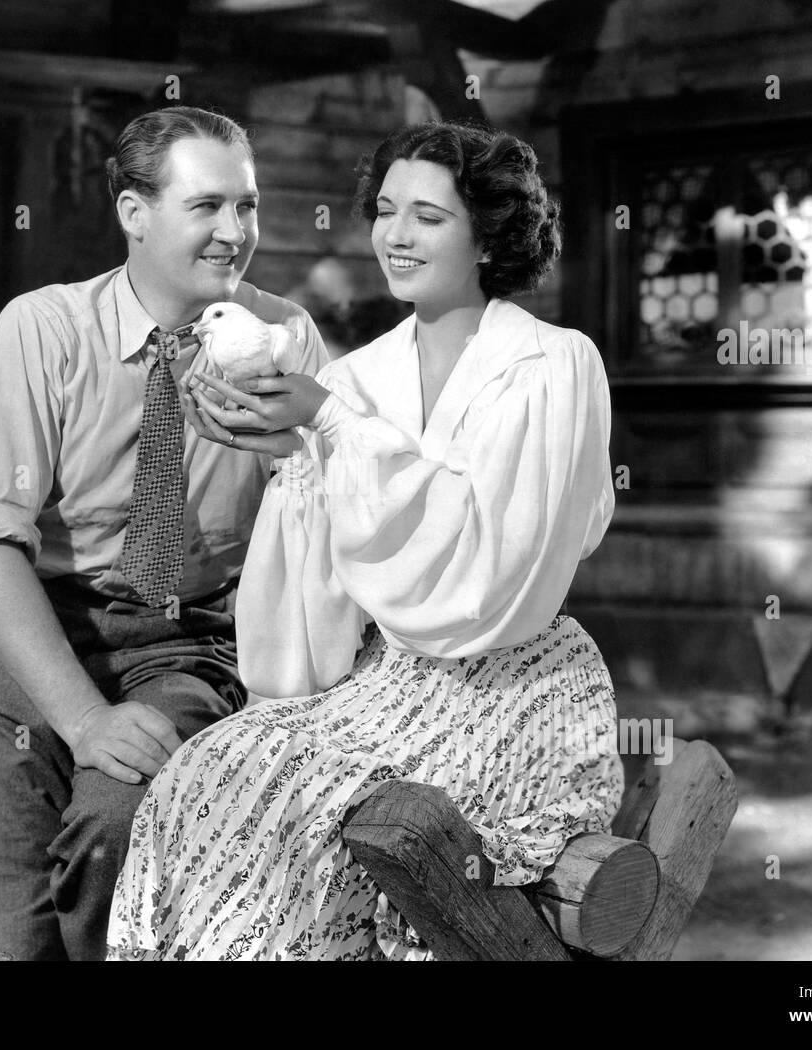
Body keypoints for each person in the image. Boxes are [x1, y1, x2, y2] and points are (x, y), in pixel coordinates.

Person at [102, 119, 624, 961]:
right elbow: (327, 593)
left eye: (428, 215)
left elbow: (490, 561)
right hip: (372, 681)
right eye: (385, 210)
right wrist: (299, 470)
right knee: (215, 769)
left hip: (510, 683)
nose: (396, 235)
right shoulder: (354, 377)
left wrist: (328, 427)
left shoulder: (554, 366)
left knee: (299, 805)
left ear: (489, 235)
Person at [0, 105, 329, 960]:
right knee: (0, 940)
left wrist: (304, 452)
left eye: (248, 206)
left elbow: (332, 521)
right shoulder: (42, 329)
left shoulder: (286, 338)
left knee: (117, 828)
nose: (236, 232)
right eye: (208, 207)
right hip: (30, 630)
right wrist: (80, 717)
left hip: (184, 643)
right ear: (133, 213)